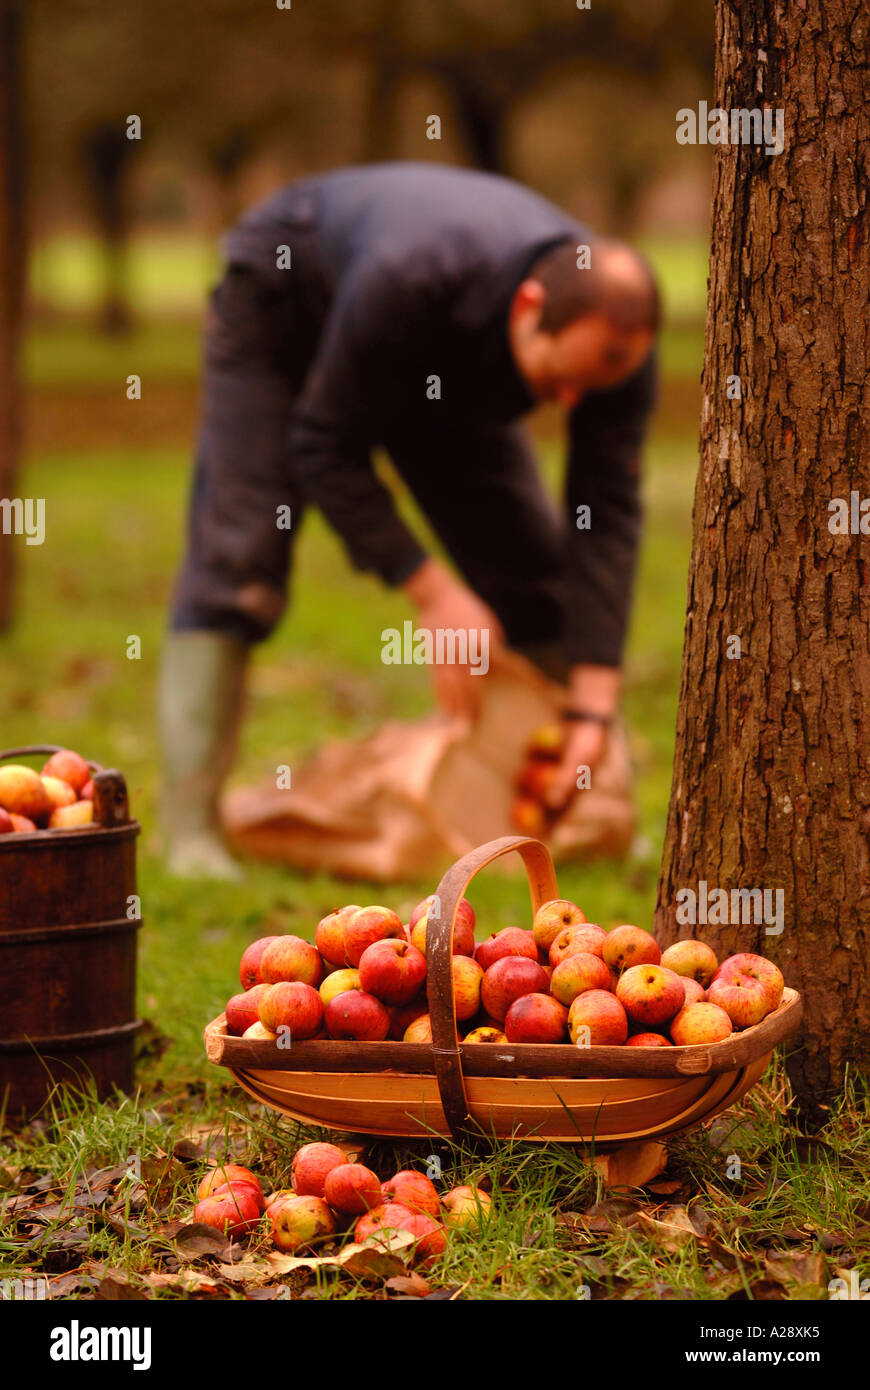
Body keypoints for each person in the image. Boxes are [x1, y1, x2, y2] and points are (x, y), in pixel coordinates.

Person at [159, 161, 659, 878]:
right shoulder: (414, 275)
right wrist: (431, 590)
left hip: (440, 364)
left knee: (531, 574)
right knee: (241, 554)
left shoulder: (614, 340)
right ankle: (191, 830)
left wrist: (593, 704)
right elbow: (324, 444)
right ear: (528, 305)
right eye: (556, 381)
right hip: (285, 303)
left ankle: (576, 802)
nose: (571, 402)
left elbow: (606, 513)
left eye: (591, 386)